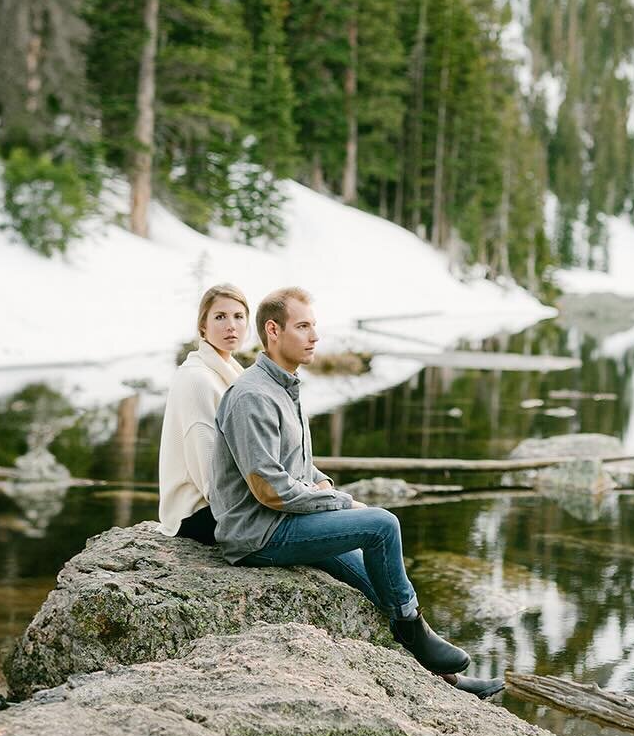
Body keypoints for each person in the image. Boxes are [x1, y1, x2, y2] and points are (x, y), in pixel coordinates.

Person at [209, 286, 500, 697]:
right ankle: (414, 629)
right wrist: (342, 501)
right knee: (382, 524)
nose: (315, 337)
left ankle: (445, 680)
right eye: (304, 326)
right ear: (273, 331)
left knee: (377, 581)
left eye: (315, 326)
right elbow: (269, 490)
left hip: (288, 521)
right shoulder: (252, 396)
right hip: (260, 534)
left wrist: (325, 484)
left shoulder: (283, 387)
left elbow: (299, 465)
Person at [157, 283, 250, 544]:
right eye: (220, 317)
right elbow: (212, 480)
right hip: (197, 514)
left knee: (323, 529)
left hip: (221, 506)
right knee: (314, 528)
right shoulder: (198, 379)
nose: (231, 325)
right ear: (203, 327)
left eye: (238, 316)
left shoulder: (229, 371)